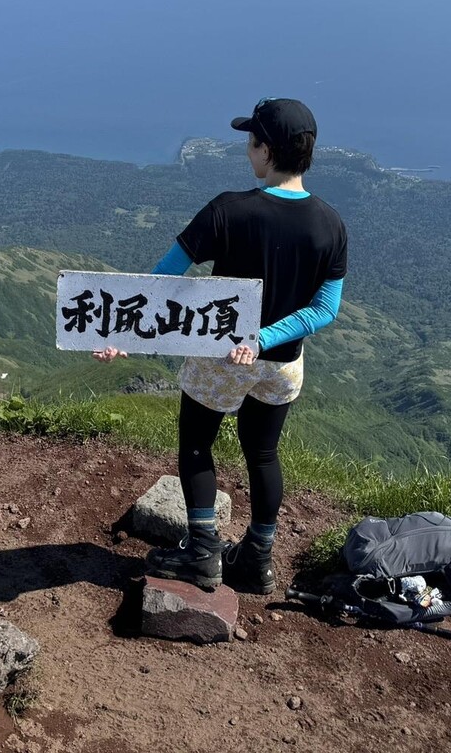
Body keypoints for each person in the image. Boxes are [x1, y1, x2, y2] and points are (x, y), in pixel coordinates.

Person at [95, 97, 347, 594]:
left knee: (195, 446)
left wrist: (124, 333)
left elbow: (165, 277)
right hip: (282, 365)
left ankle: (204, 554)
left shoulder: (229, 210)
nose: (247, 146)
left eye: (251, 138)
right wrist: (266, 339)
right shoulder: (331, 224)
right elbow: (325, 310)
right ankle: (257, 559)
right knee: (263, 454)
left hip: (220, 359)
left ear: (265, 150)